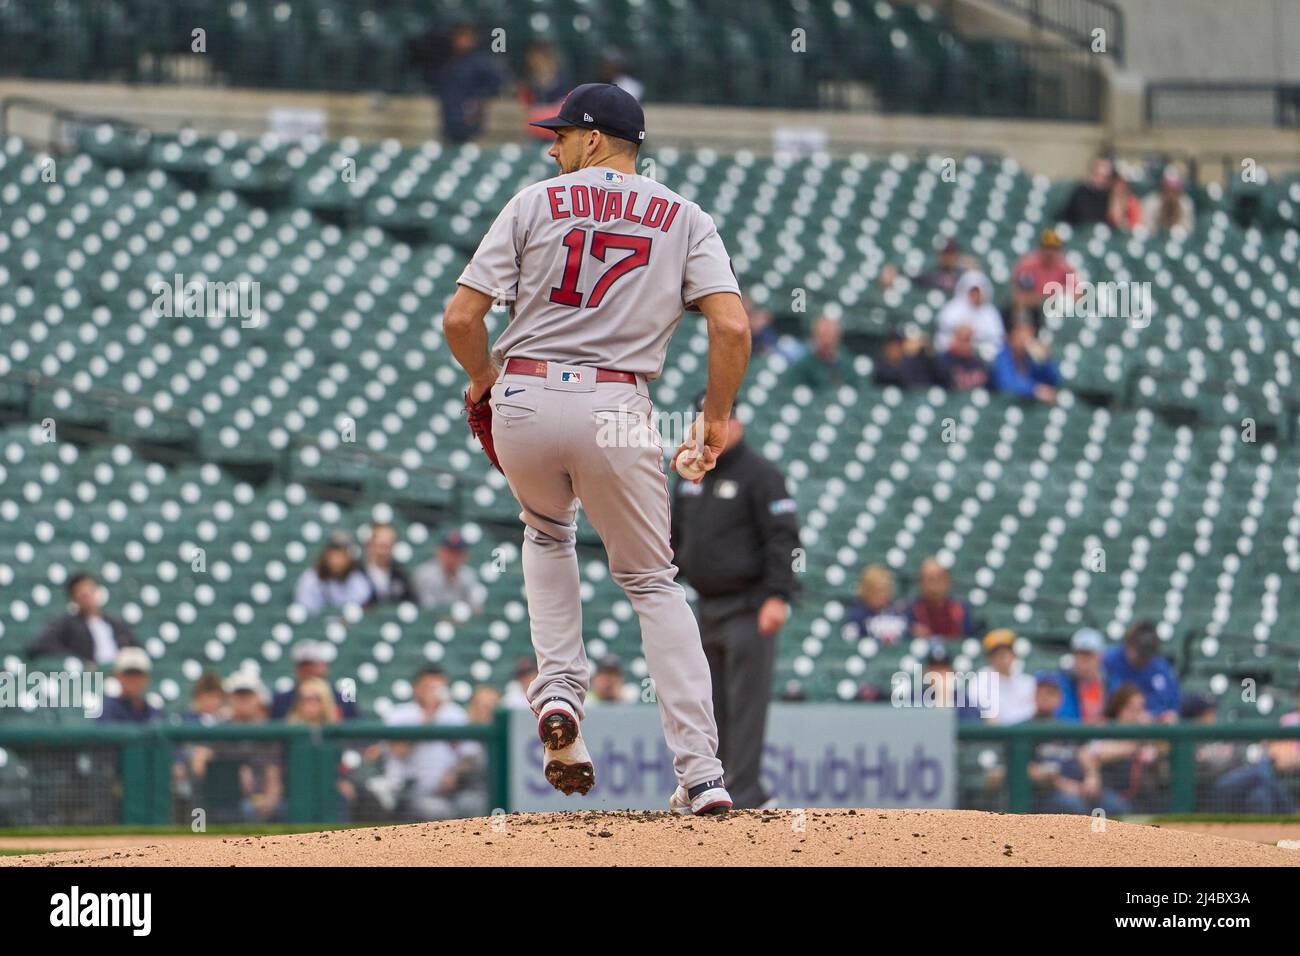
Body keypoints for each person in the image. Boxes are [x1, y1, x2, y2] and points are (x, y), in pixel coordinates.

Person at [443, 83, 748, 816]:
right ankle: (702, 774)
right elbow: (732, 329)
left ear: (595, 139)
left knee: (546, 533)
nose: (551, 148)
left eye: (561, 136)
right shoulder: (686, 217)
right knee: (650, 583)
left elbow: (460, 318)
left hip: (525, 392)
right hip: (616, 403)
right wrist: (713, 421)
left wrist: (485, 379)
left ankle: (558, 696)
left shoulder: (530, 204)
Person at [670, 394, 799, 810]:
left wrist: (778, 595)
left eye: (719, 421)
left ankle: (746, 793)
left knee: (745, 704)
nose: (710, 430)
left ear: (735, 423)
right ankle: (712, 789)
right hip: (705, 606)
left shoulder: (762, 475)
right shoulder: (692, 475)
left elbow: (784, 539)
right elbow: (673, 537)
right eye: (703, 423)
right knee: (708, 704)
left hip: (749, 605)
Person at [378, 667, 483, 820]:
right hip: (408, 792)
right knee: (437, 811)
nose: (435, 692)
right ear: (416, 689)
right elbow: (399, 750)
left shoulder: (455, 713)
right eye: (429, 687)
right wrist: (429, 714)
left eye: (439, 687)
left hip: (449, 792)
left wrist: (455, 772)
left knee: (473, 803)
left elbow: (470, 755)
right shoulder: (400, 714)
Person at [1027, 673, 1128, 816]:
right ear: (1034, 697)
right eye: (1040, 693)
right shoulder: (1025, 728)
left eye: (1050, 693)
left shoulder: (1069, 728)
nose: (1045, 697)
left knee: (1114, 805)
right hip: (1047, 793)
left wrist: (1092, 777)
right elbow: (1030, 769)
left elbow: (1088, 752)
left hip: (1081, 787)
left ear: (1059, 698)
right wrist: (1063, 784)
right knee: (1074, 806)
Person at [27, 571, 139, 664]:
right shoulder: (67, 623)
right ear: (73, 599)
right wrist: (80, 661)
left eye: (91, 591)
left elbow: (136, 648)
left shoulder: (115, 623)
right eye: (82, 595)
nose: (88, 597)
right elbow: (41, 645)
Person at [1089, 683, 1164, 814]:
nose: (1136, 714)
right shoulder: (1106, 728)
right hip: (1111, 796)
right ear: (1118, 709)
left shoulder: (1146, 733)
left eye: (1140, 708)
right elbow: (1095, 753)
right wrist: (1136, 744)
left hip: (1145, 799)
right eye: (1130, 708)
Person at [427, 22, 502, 144]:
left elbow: (494, 84)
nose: (462, 41)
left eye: (466, 37)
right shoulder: (449, 61)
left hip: (470, 117)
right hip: (449, 117)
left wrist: (479, 99)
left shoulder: (481, 62)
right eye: (459, 37)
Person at [1102, 620, 1180, 721]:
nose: (1143, 659)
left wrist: (1154, 715)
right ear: (1128, 645)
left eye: (1147, 655)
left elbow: (1172, 702)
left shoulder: (1159, 667)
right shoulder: (1109, 661)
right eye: (1140, 654)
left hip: (1152, 728)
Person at [269, 639, 360, 720]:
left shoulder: (344, 701)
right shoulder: (282, 701)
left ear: (325, 667)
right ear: (297, 669)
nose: (309, 670)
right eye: (304, 665)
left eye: (314, 665)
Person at [294, 532, 372, 615]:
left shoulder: (358, 580)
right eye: (335, 554)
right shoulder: (310, 578)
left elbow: (361, 610)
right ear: (326, 555)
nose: (338, 560)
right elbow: (305, 610)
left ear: (350, 558)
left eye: (343, 555)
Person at [933, 271, 1005, 360]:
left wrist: (973, 335)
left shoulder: (990, 312)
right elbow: (943, 332)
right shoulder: (954, 308)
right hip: (953, 355)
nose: (975, 295)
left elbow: (997, 339)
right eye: (972, 291)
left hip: (981, 357)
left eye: (978, 291)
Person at [412, 531, 487, 614]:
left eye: (457, 553)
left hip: (462, 622)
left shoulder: (469, 575)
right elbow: (427, 608)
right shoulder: (424, 573)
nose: (452, 558)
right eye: (449, 552)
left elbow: (477, 608)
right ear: (439, 552)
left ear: (465, 556)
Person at [906, 557, 977, 640]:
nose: (934, 586)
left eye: (939, 579)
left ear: (948, 581)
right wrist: (912, 632)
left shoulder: (961, 609)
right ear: (921, 583)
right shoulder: (910, 610)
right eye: (929, 580)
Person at [991, 322, 1061, 404]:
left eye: (1028, 337)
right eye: (1021, 336)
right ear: (1011, 336)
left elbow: (1054, 380)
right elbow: (1006, 384)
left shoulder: (1031, 359)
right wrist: (1034, 389)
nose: (1025, 341)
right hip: (1003, 405)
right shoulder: (1001, 356)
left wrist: (1046, 362)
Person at [977, 629, 1036, 725]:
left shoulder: (1027, 680)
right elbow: (991, 722)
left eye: (1007, 651)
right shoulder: (980, 682)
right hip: (1001, 736)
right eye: (997, 653)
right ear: (989, 658)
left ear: (1014, 654)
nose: (1003, 656)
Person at [844, 564, 908, 645]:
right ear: (865, 591)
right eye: (877, 591)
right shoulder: (856, 615)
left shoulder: (898, 612)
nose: (883, 596)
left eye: (886, 590)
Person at [520, 41, 574, 140]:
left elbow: (565, 99)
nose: (533, 61)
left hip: (555, 119)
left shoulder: (560, 75)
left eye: (536, 57)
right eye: (531, 58)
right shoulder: (531, 77)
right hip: (537, 121)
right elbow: (528, 101)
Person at [1055, 628, 1108, 723]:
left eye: (1089, 654)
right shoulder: (1062, 683)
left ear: (1100, 656)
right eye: (1080, 654)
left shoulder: (1111, 682)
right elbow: (1062, 716)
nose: (1084, 659)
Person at [99, 647, 160, 723]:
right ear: (117, 676)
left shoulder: (154, 713)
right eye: (128, 674)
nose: (133, 680)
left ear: (146, 678)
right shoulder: (108, 711)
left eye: (138, 674)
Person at [361, 522, 415, 607]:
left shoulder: (400, 577)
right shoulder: (357, 573)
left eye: (388, 546)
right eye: (380, 545)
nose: (383, 552)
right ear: (369, 545)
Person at [1011, 228, 1074, 302]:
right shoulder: (1027, 266)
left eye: (1054, 248)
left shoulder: (1065, 268)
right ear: (1040, 247)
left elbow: (1076, 294)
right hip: (1032, 308)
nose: (1050, 252)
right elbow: (1019, 295)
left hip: (1055, 308)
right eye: (1046, 247)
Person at [790, 315, 851, 390]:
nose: (826, 341)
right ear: (814, 335)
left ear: (838, 337)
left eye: (830, 335)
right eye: (822, 335)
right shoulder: (803, 363)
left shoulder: (847, 363)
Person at [873, 330, 942, 389]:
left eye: (898, 346)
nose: (895, 350)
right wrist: (909, 354)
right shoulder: (880, 365)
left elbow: (931, 379)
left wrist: (929, 355)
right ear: (886, 348)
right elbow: (897, 377)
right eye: (892, 346)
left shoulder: (911, 363)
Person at [1058, 156, 1113, 227]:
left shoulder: (1110, 195)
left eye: (1105, 177)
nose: (1100, 180)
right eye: (1097, 175)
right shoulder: (1080, 193)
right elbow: (1085, 219)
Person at [934, 324, 989, 391]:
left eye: (971, 340)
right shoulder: (942, 362)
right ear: (955, 340)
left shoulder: (979, 363)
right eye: (965, 340)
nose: (969, 344)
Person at [1142, 168, 1195, 233]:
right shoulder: (1150, 202)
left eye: (1174, 189)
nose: (1170, 193)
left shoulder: (1185, 203)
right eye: (1167, 188)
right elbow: (1146, 228)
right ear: (1162, 186)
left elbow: (1188, 229)